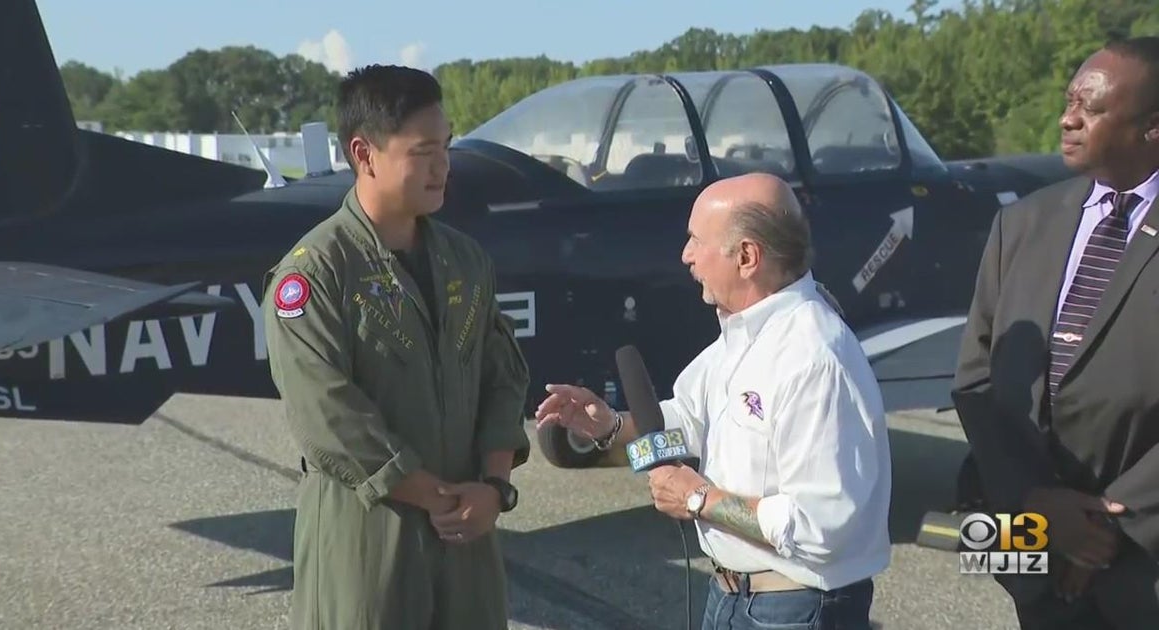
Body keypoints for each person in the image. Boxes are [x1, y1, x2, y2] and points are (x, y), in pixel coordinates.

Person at [537, 172, 892, 629]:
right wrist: (607, 424)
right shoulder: (739, 337)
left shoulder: (814, 358)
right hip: (729, 597)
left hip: (795, 610)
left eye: (696, 240)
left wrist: (697, 498)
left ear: (746, 256)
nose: (685, 255)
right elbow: (685, 420)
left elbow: (820, 526)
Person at [262, 64, 531, 630]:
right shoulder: (315, 276)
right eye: (422, 151)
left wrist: (493, 488)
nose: (443, 166)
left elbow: (502, 377)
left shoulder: (466, 261)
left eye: (447, 147)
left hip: (466, 539)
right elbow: (326, 411)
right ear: (365, 154)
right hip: (368, 543)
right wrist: (432, 494)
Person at [951, 36, 1159, 629]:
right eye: (1070, 100)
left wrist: (1108, 525)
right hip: (1031, 539)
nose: (1068, 118)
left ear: (1152, 127)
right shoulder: (1020, 224)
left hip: (1144, 558)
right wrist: (1037, 504)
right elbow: (976, 380)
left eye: (1091, 108)